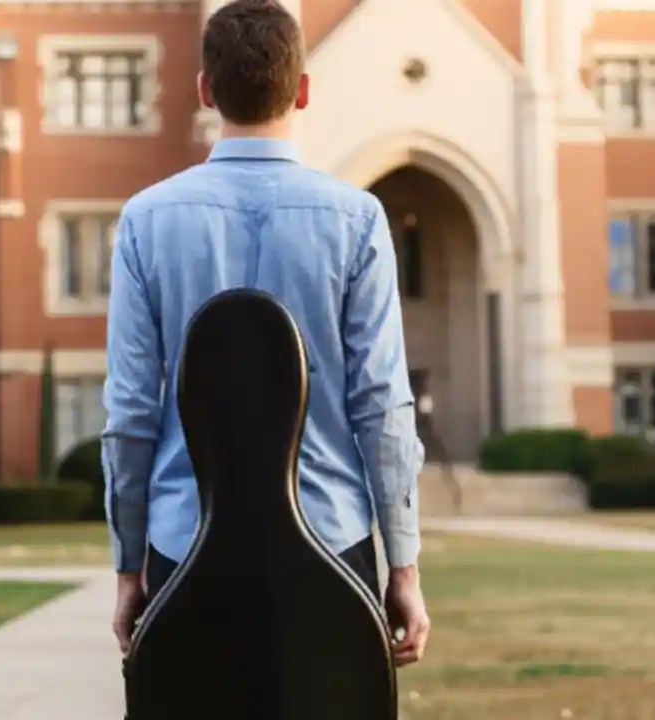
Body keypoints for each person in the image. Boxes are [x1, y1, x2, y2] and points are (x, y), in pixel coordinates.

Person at [101, 0, 430, 668]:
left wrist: (128, 567)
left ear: (205, 90)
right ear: (303, 90)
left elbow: (131, 412)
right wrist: (405, 567)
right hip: (331, 544)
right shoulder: (359, 220)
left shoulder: (146, 219)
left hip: (183, 544)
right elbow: (381, 406)